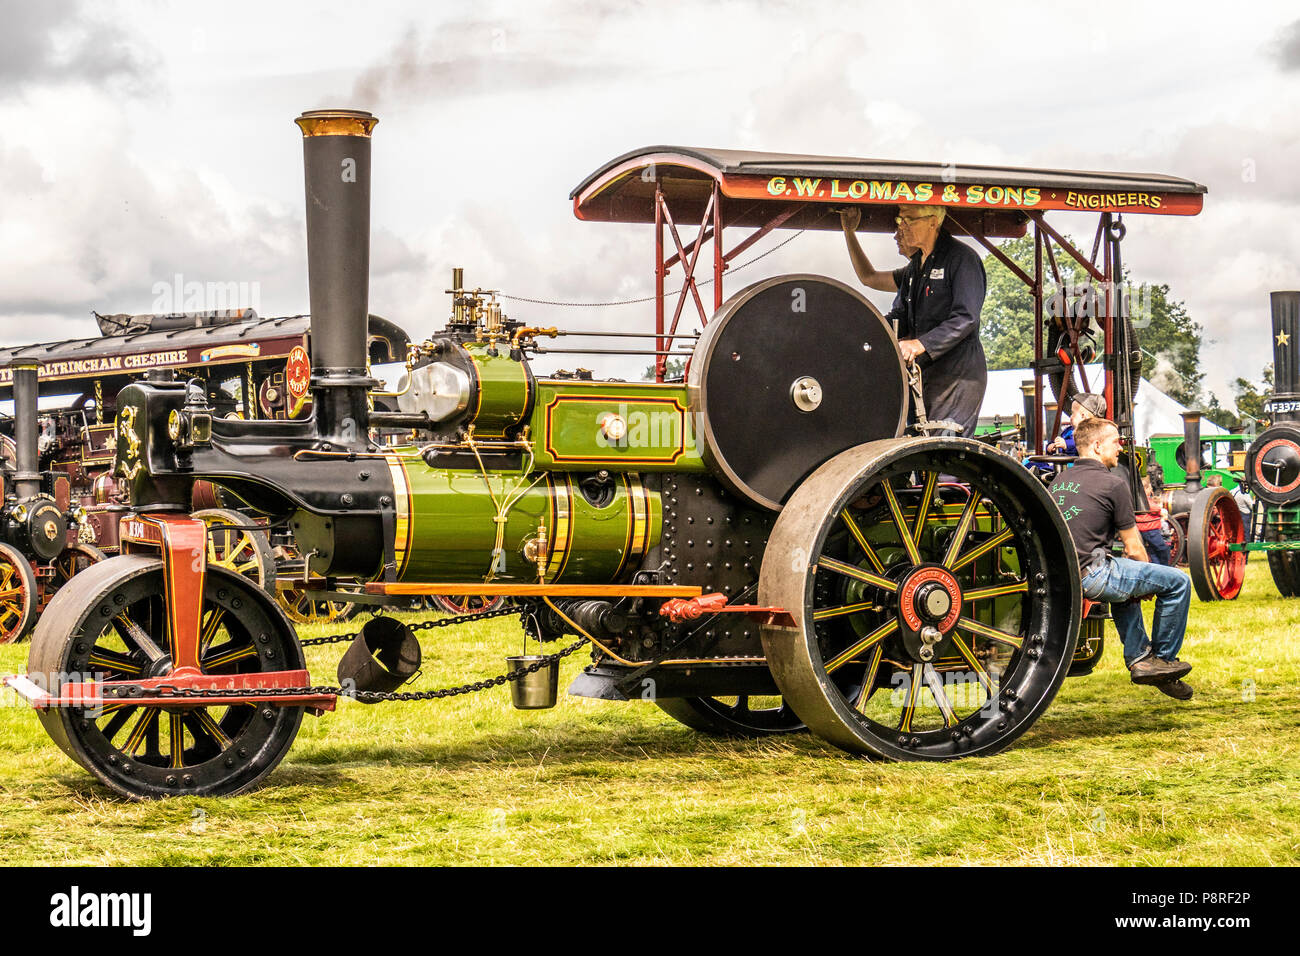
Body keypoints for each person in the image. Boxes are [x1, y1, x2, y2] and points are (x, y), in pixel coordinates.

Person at [1051, 416, 1194, 700]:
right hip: (1093, 575)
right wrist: (1148, 584)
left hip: (1064, 578)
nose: (1120, 449)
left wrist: (1136, 585)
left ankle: (1140, 658)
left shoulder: (1058, 481)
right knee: (1177, 582)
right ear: (1096, 446)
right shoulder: (1114, 484)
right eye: (1115, 442)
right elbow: (1134, 548)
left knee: (1124, 591)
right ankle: (1163, 660)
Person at [841, 204, 987, 437]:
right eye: (900, 220)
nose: (902, 227)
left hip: (956, 377)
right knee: (917, 447)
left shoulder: (962, 259)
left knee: (943, 449)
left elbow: (966, 317)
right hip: (923, 376)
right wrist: (861, 333)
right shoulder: (914, 268)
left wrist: (919, 345)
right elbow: (899, 319)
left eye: (909, 220)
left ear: (933, 222)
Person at [1136, 475, 1169, 565]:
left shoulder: (1139, 498)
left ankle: (1157, 567)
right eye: (1150, 488)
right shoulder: (1143, 499)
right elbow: (1153, 508)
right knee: (1162, 548)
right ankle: (1165, 567)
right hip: (1149, 528)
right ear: (1146, 489)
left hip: (1146, 527)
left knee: (1153, 550)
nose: (1151, 490)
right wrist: (1160, 510)